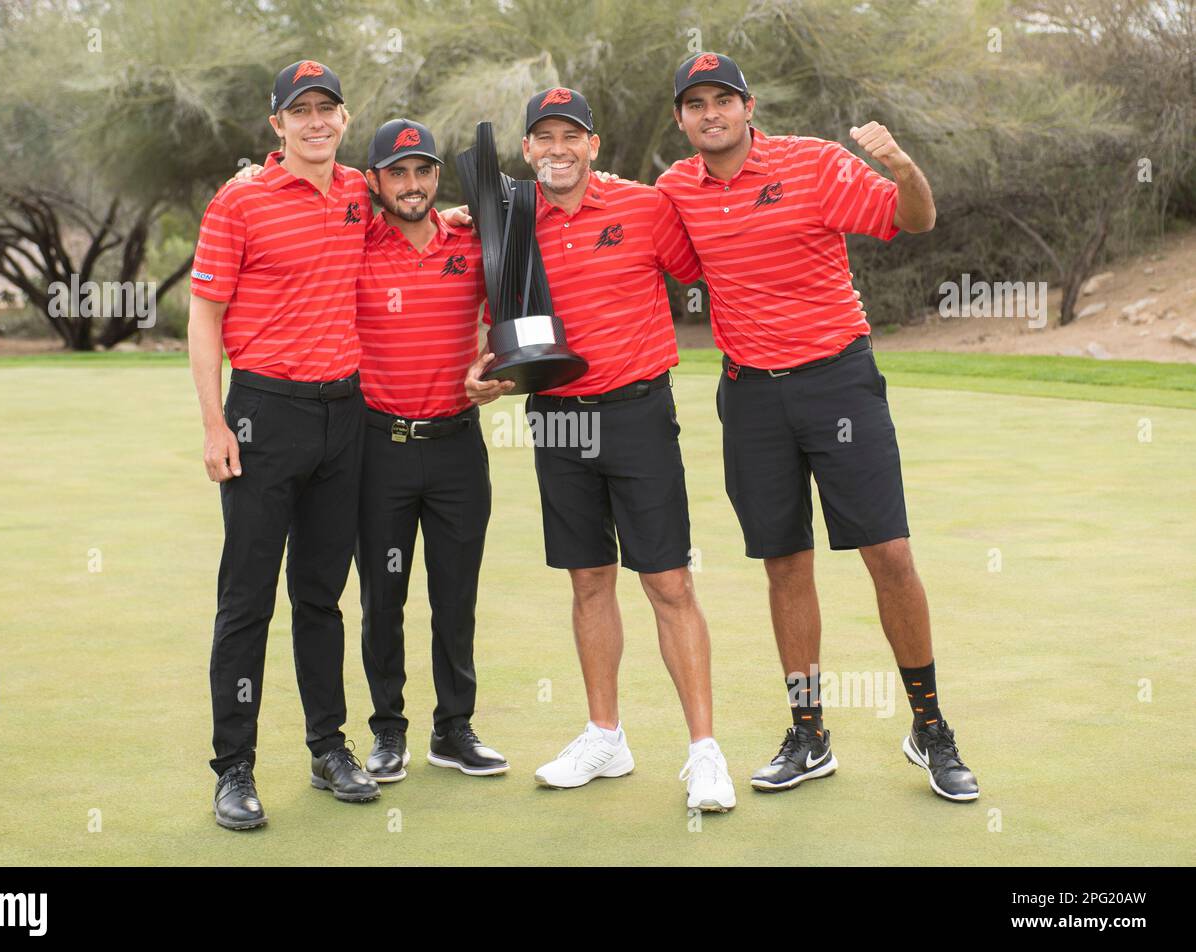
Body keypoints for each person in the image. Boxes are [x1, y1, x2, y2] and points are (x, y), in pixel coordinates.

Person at [656, 52, 979, 801]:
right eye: (696, 104)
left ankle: (930, 730)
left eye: (723, 100)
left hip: (837, 381)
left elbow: (915, 219)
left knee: (889, 555)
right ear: (681, 118)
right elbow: (607, 214)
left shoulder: (814, 164)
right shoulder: (677, 188)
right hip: (751, 398)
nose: (711, 114)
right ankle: (809, 736)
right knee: (785, 563)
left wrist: (905, 168)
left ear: (748, 104)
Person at [466, 87, 736, 812]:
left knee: (669, 583)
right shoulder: (508, 220)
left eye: (570, 137)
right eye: (542, 138)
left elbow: (713, 269)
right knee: (589, 582)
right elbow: (481, 301)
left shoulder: (644, 207)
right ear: (526, 151)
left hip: (636, 413)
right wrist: (485, 369)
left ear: (593, 145)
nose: (557, 149)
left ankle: (704, 753)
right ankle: (605, 736)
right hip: (555, 417)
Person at [190, 59, 381, 830]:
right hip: (263, 413)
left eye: (326, 109)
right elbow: (204, 320)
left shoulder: (360, 191)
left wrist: (451, 220)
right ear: (277, 125)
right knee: (245, 599)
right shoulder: (239, 202)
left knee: (321, 597)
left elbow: (413, 211)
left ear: (342, 118)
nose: (314, 121)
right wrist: (213, 423)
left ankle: (329, 748)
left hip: (345, 413)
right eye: (298, 111)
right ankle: (233, 769)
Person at [353, 118, 508, 782]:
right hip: (377, 451)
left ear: (438, 177)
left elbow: (512, 313)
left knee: (455, 596)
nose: (412, 185)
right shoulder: (354, 243)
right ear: (375, 182)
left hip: (455, 449)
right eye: (397, 173)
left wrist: (496, 367)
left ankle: (454, 729)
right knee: (382, 600)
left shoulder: (474, 243)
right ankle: (389, 732)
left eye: (423, 171)